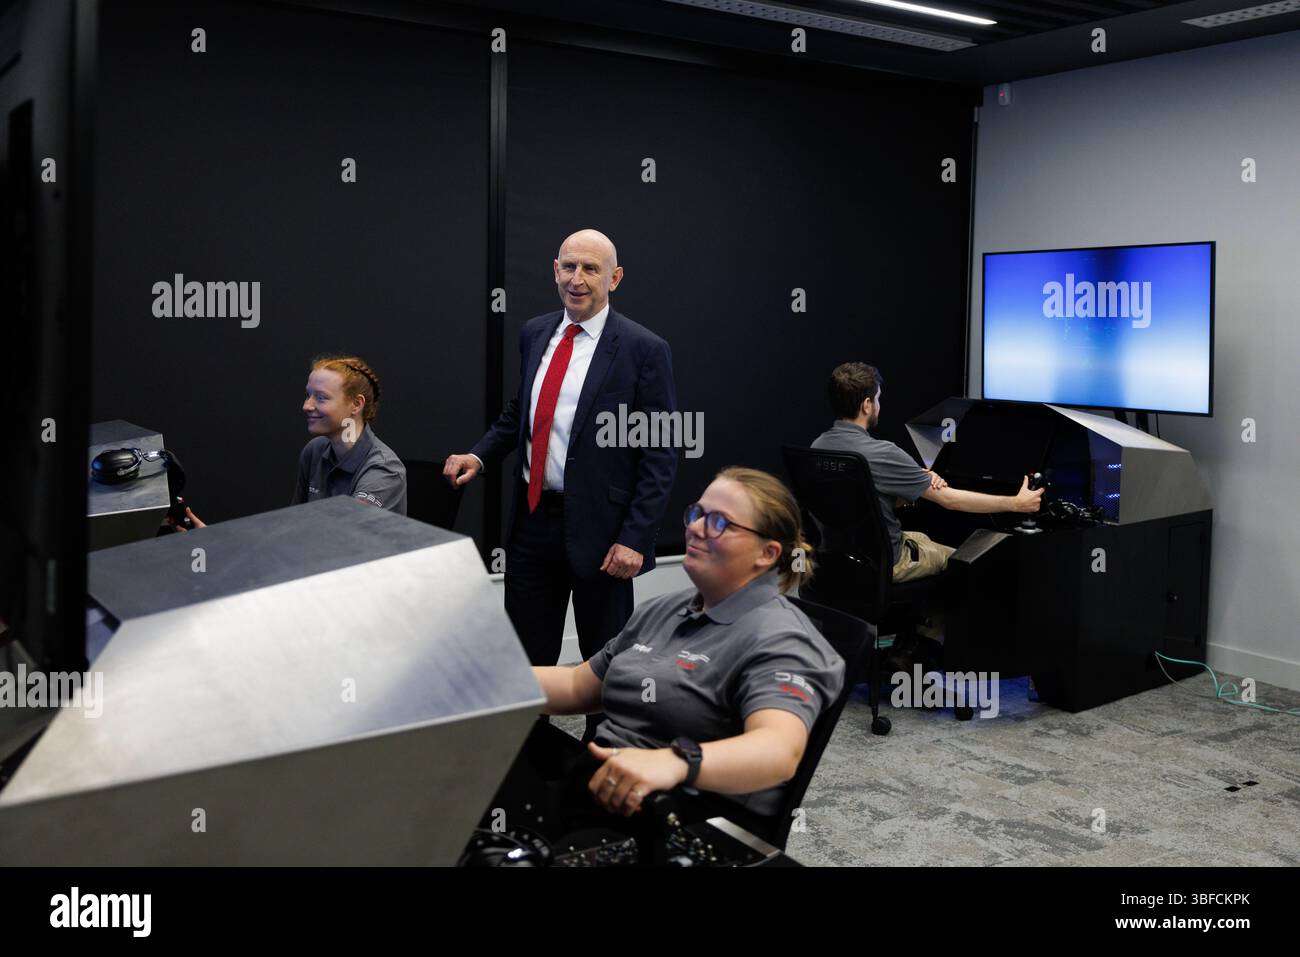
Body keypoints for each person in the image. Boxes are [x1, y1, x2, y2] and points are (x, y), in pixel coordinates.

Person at [484, 467, 845, 841]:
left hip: (675, 820)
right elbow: (578, 686)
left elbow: (778, 750)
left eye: (719, 522)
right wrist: (484, 680)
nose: (697, 528)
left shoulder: (782, 639)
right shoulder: (665, 609)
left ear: (767, 554)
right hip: (598, 787)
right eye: (696, 514)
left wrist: (675, 762)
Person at [443, 229, 678, 742]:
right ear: (554, 270)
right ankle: (525, 768)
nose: (577, 279)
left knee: (606, 667)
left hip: (605, 533)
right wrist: (479, 457)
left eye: (591, 269)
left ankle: (602, 777)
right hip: (532, 525)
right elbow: (519, 415)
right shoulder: (534, 333)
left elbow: (661, 453)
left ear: (614, 278)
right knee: (525, 659)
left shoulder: (643, 349)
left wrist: (637, 538)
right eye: (569, 267)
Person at [811, 362, 1042, 584]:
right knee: (965, 562)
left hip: (839, 558)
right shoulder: (883, 454)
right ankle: (939, 626)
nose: (880, 405)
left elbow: (859, 505)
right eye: (878, 399)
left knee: (923, 539)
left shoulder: (817, 447)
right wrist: (1017, 504)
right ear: (867, 405)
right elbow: (950, 500)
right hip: (888, 561)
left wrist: (911, 481)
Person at [173, 354, 407, 528]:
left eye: (322, 398)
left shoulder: (384, 471)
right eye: (309, 394)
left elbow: (338, 538)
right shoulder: (314, 451)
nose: (307, 406)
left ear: (356, 404)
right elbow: (293, 529)